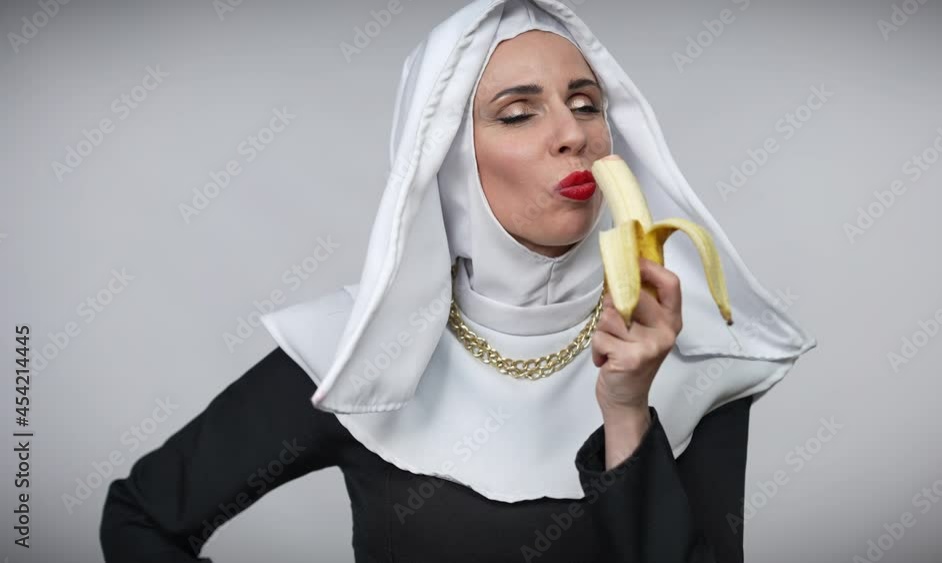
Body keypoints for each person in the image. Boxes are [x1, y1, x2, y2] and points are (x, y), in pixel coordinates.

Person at [100, 1, 817, 561]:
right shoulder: (358, 353)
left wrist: (628, 411)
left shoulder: (696, 351)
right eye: (518, 113)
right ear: (447, 161)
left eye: (586, 104)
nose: (573, 134)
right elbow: (142, 518)